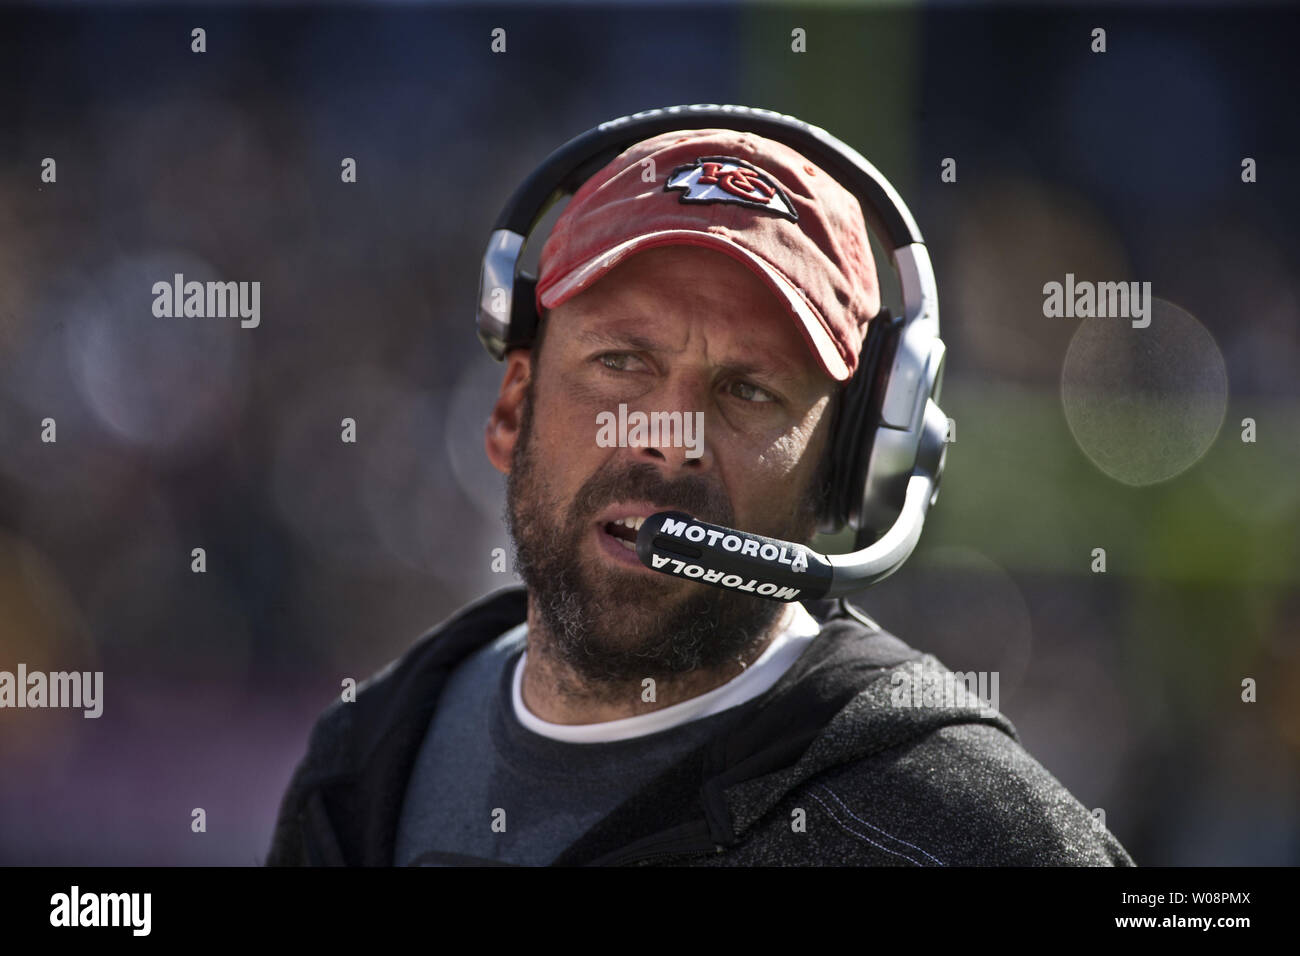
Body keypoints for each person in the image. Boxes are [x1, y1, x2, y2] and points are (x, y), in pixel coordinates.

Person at [265, 126, 1135, 866]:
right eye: (622, 362)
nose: (669, 435)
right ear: (511, 410)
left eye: (748, 390)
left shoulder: (966, 833)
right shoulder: (363, 767)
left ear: (851, 472)